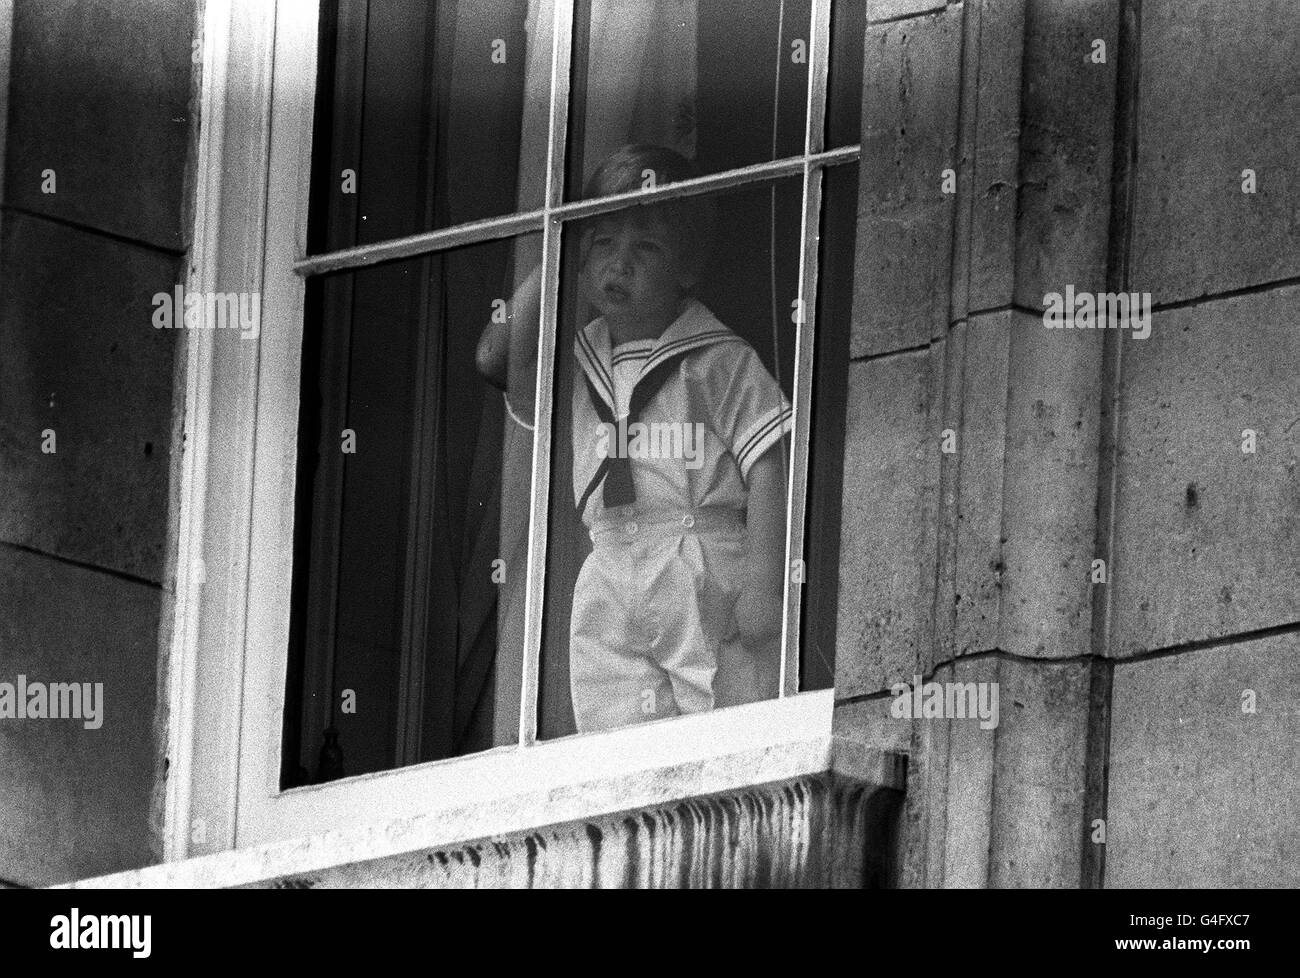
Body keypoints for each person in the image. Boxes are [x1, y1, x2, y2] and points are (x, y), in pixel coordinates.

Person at [477, 144, 790, 733]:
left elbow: (768, 462)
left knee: (715, 718)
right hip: (611, 559)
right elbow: (493, 355)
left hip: (696, 551)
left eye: (645, 247)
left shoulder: (716, 357)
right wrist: (563, 239)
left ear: (688, 269)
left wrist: (764, 585)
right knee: (615, 727)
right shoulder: (576, 360)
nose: (618, 265)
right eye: (604, 243)